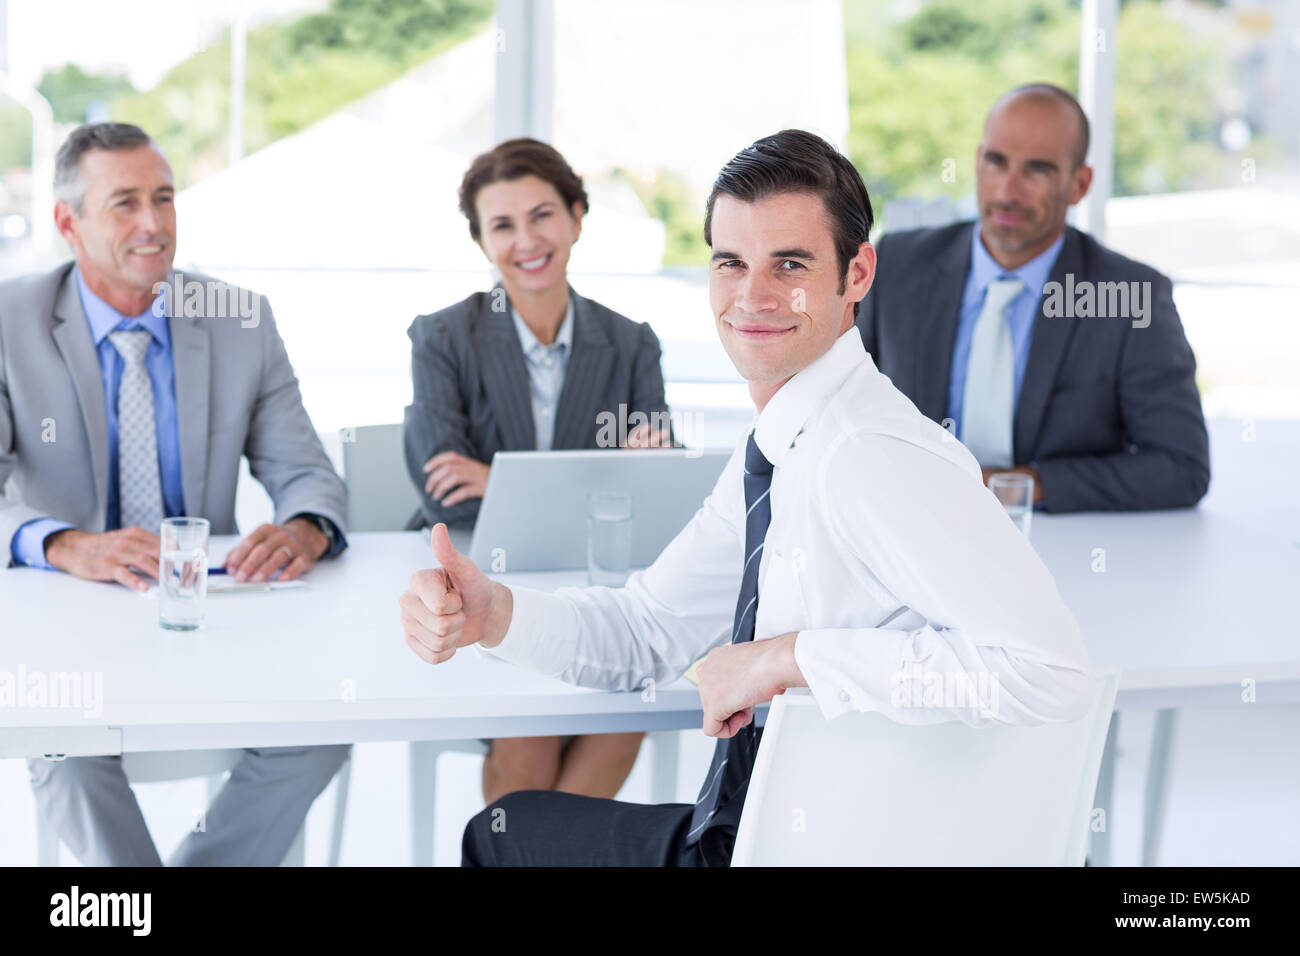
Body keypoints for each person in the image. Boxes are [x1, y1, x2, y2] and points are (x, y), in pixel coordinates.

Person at [399, 129, 1093, 867]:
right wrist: (496, 614)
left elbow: (1049, 674)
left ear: (856, 274)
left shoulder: (865, 453)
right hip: (777, 823)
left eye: (790, 264)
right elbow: (647, 631)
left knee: (503, 838)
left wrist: (788, 659)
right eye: (731, 263)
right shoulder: (781, 445)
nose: (753, 296)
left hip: (837, 842)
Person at [0, 122, 349, 866]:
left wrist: (306, 527)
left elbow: (307, 471)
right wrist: (64, 543)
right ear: (69, 223)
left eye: (164, 198)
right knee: (68, 754)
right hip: (68, 621)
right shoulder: (9, 322)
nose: (154, 224)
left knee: (320, 729)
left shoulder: (239, 321)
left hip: (206, 617)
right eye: (124, 203)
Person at [402, 138, 670, 804]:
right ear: (482, 241)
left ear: (578, 216)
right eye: (502, 225)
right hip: (478, 581)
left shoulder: (632, 342)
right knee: (532, 731)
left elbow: (654, 485)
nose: (527, 240)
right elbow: (446, 486)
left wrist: (500, 480)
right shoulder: (443, 338)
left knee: (624, 710)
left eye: (543, 215)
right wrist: (598, 483)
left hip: (597, 586)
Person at [857, 83, 1209, 513]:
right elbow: (841, 405)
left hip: (1055, 547)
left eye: (1037, 170)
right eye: (996, 162)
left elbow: (1180, 466)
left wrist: (1018, 486)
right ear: (977, 160)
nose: (1008, 191)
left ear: (1079, 184)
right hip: (908, 526)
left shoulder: (1130, 295)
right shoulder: (898, 265)